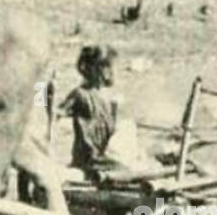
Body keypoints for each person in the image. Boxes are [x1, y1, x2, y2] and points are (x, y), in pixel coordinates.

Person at [58, 44, 151, 183]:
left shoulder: (109, 98)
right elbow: (56, 112)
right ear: (101, 70)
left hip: (104, 157)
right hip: (89, 160)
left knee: (138, 164)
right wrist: (42, 93)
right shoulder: (81, 95)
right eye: (113, 69)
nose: (115, 73)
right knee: (127, 172)